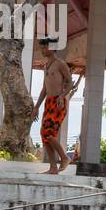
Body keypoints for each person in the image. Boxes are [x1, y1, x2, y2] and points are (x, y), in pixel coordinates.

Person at [32, 38, 74, 174]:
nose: (42, 50)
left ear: (52, 48)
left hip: (58, 102)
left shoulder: (60, 63)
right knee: (44, 134)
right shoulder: (46, 66)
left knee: (48, 132)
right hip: (48, 102)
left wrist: (62, 96)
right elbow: (44, 89)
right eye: (42, 48)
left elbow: (70, 82)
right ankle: (53, 167)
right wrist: (36, 107)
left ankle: (64, 157)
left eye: (45, 48)